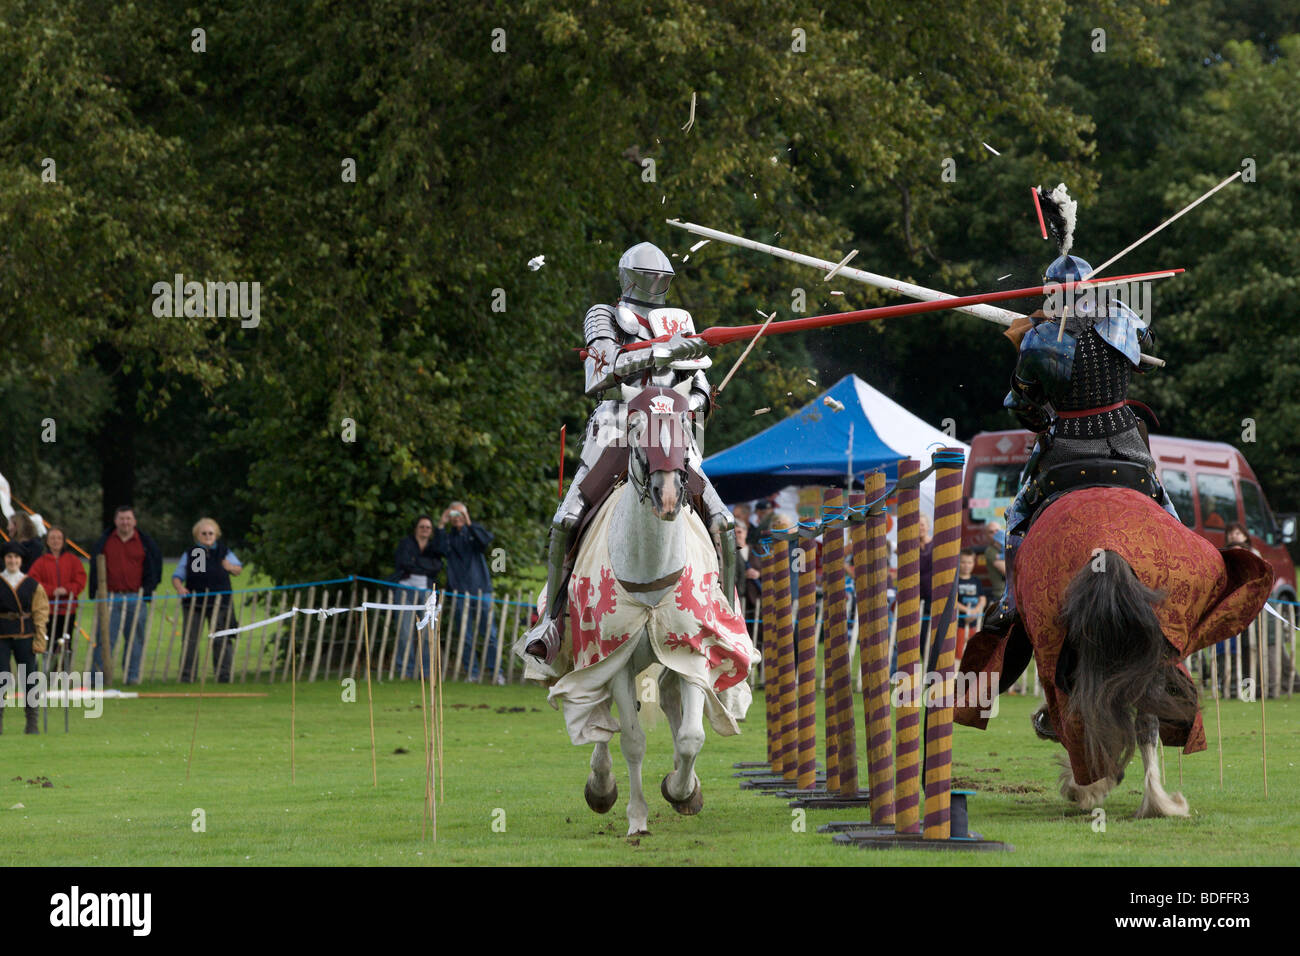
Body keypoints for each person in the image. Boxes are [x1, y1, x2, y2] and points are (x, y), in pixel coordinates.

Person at [520, 241, 732, 667]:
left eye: (662, 279)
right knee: (567, 517)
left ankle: (727, 622)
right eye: (649, 277)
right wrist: (658, 353)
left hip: (670, 431)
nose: (656, 285)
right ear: (629, 277)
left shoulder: (680, 321)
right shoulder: (605, 315)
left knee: (722, 521)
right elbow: (599, 372)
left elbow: (703, 384)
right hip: (620, 427)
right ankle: (553, 621)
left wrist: (692, 402)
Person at [983, 184, 1176, 647]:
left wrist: (1026, 338)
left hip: (1066, 449)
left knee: (1017, 515)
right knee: (1167, 511)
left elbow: (1024, 409)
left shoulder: (1040, 340)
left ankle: (1011, 598)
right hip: (1126, 444)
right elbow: (1147, 342)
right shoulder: (1124, 318)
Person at [88, 506, 163, 684]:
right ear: (115, 521)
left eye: (128, 519)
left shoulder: (144, 542)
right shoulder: (105, 541)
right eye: (121, 519)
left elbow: (156, 566)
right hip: (110, 597)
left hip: (135, 596)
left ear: (134, 521)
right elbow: (94, 566)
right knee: (105, 639)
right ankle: (97, 678)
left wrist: (148, 589)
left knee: (135, 640)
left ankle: (132, 676)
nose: (125, 522)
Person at [436, 502, 500, 682]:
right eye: (454, 514)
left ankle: (496, 672)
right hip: (458, 591)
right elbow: (438, 550)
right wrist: (441, 523)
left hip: (481, 589)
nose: (457, 517)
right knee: (465, 634)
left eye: (460, 514)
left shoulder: (474, 531)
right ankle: (472, 672)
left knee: (490, 634)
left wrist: (469, 521)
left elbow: (485, 541)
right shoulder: (448, 538)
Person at [172, 518, 242, 683]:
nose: (207, 536)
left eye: (210, 533)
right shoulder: (195, 552)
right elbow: (181, 576)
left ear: (216, 534)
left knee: (221, 638)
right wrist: (180, 588)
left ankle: (223, 675)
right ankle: (187, 676)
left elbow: (238, 569)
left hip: (221, 602)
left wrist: (230, 567)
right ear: (197, 535)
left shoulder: (224, 551)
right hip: (195, 603)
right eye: (204, 533)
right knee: (191, 639)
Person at [0, 541, 49, 733]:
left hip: (25, 634)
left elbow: (40, 612)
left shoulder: (32, 585)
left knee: (29, 678)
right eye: (9, 557)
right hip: (2, 635)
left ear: (21, 560)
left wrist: (40, 638)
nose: (12, 560)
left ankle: (32, 723)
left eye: (16, 557)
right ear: (5, 559)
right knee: (1, 677)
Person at [28, 526, 86, 673]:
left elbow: (80, 579)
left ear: (63, 541)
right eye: (52, 538)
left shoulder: (72, 560)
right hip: (48, 610)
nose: (55, 541)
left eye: (59, 538)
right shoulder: (40, 562)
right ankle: (49, 672)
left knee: (66, 643)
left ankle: (64, 672)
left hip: (67, 610)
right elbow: (34, 582)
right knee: (49, 643)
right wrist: (51, 591)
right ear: (47, 541)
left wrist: (67, 589)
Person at [391, 515, 443, 679]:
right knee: (405, 630)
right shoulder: (405, 543)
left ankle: (426, 671)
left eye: (428, 527)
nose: (425, 530)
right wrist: (424, 565)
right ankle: (405, 669)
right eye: (422, 527)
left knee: (428, 631)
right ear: (416, 528)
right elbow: (403, 562)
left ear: (431, 530)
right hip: (405, 589)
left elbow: (437, 567)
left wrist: (416, 562)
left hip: (427, 590)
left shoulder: (434, 547)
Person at [954, 549, 988, 661]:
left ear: (973, 563)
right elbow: (953, 601)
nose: (966, 565)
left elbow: (982, 598)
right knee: (959, 652)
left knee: (973, 651)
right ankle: (957, 673)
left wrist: (977, 610)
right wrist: (966, 610)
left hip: (974, 623)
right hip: (959, 624)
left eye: (969, 562)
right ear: (958, 563)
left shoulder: (976, 580)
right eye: (963, 562)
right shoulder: (955, 581)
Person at [982, 520, 1006, 596]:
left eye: (997, 530)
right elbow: (1006, 571)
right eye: (991, 532)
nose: (995, 534)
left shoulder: (1008, 546)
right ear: (986, 536)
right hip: (1002, 594)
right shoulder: (990, 551)